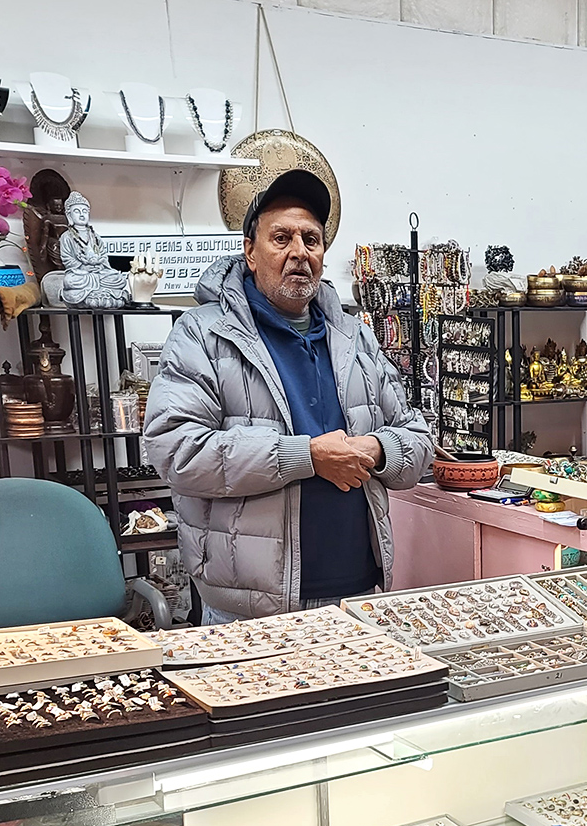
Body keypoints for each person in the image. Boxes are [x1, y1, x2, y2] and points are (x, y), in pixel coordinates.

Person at [144, 169, 433, 623]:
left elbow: (417, 438)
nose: (299, 252)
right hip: (249, 609)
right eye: (281, 238)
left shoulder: (354, 337)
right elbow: (176, 450)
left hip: (357, 594)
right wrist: (305, 457)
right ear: (249, 251)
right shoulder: (202, 335)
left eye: (311, 239)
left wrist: (377, 449)